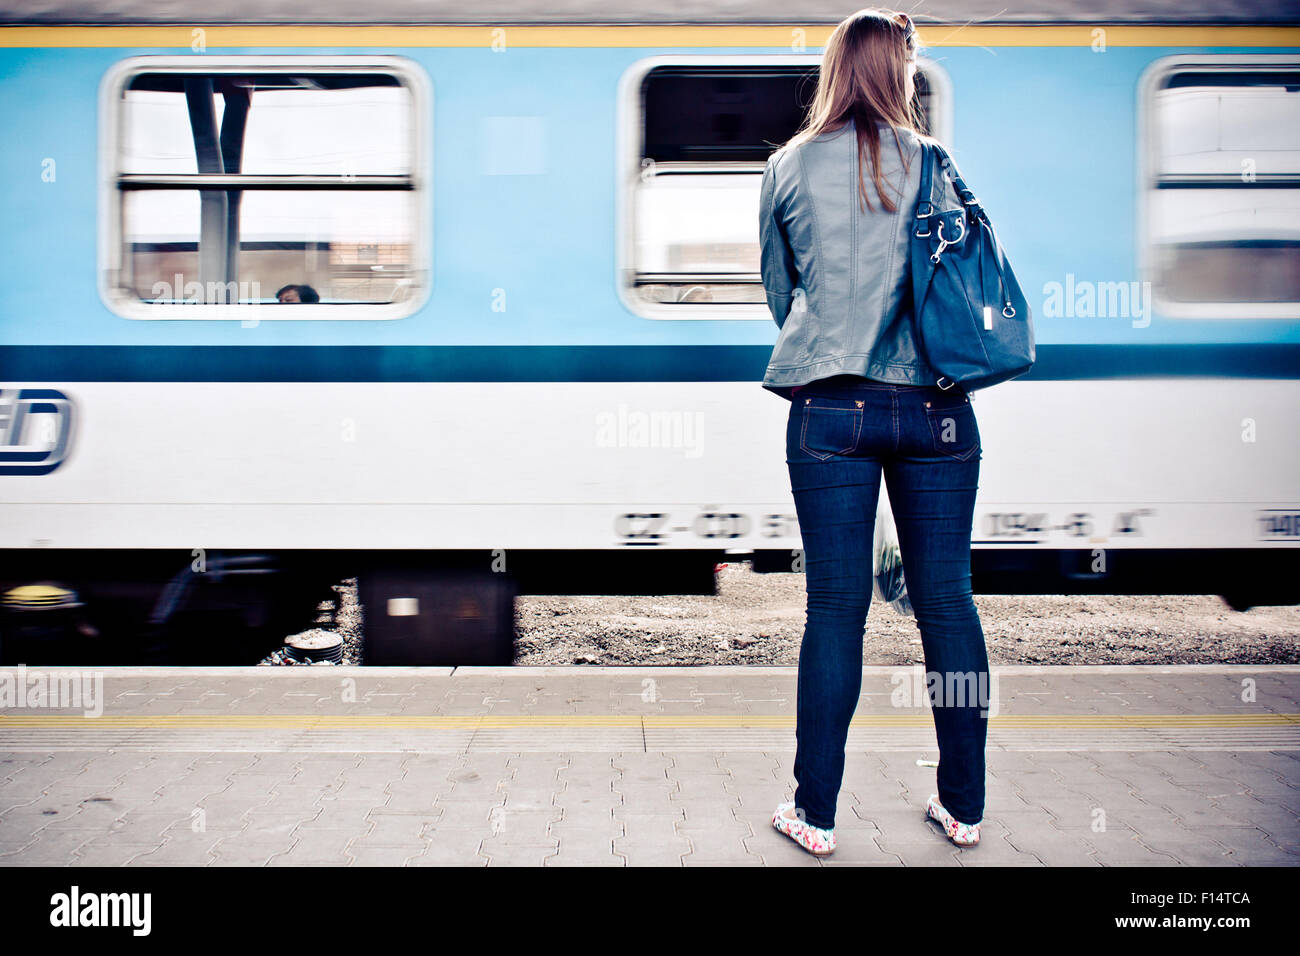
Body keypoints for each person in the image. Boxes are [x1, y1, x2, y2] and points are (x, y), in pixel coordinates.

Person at [760, 8, 989, 856]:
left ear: (833, 69)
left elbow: (782, 296)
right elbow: (967, 278)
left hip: (830, 410)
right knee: (947, 604)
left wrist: (832, 341)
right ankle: (963, 808)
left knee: (835, 610)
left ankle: (813, 815)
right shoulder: (935, 163)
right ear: (902, 74)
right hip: (936, 409)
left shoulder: (784, 168)